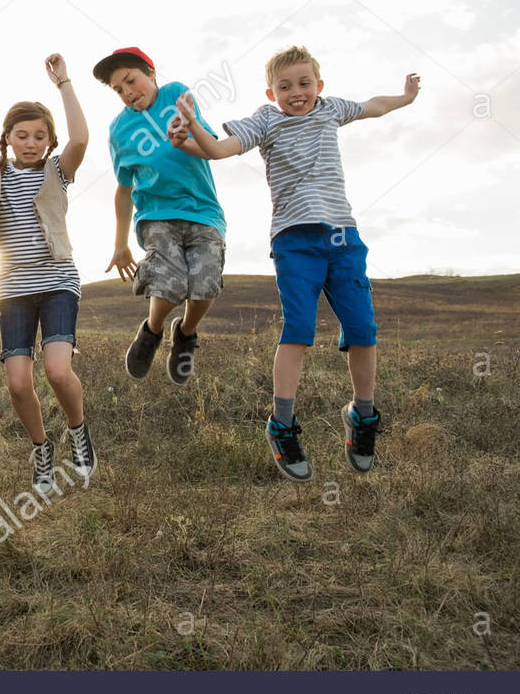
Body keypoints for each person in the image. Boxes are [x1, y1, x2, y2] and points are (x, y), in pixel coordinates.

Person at [170, 45, 421, 481]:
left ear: (319, 86)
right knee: (299, 329)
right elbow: (218, 149)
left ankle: (362, 416)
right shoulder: (265, 121)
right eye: (285, 87)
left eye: (304, 84)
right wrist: (190, 131)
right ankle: (281, 424)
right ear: (272, 92)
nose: (296, 93)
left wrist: (405, 98)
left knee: (363, 328)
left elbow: (373, 107)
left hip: (344, 237)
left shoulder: (331, 109)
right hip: (293, 240)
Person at [0, 53, 95, 496]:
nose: (30, 142)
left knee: (56, 371)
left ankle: (78, 433)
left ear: (50, 141)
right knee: (17, 382)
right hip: (12, 287)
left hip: (57, 282)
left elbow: (82, 138)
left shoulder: (57, 170)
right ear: (8, 138)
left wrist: (64, 83)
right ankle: (42, 451)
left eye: (39, 136)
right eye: (21, 135)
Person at [95, 46, 227, 385]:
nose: (127, 93)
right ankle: (152, 332)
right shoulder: (119, 130)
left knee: (205, 285)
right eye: (117, 90)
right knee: (170, 284)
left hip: (203, 211)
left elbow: (209, 148)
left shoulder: (175, 95)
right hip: (156, 215)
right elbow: (124, 190)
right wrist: (120, 244)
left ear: (151, 73)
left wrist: (184, 139)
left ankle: (184, 334)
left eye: (130, 81)